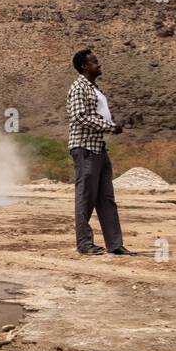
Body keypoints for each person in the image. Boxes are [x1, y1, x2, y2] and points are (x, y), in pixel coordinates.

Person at [67, 49, 136, 255]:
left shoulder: (94, 88)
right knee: (85, 196)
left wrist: (110, 126)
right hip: (85, 148)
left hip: (99, 149)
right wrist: (110, 126)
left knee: (106, 198)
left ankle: (115, 245)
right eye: (94, 62)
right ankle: (84, 244)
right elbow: (78, 117)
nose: (99, 65)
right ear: (84, 66)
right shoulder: (79, 87)